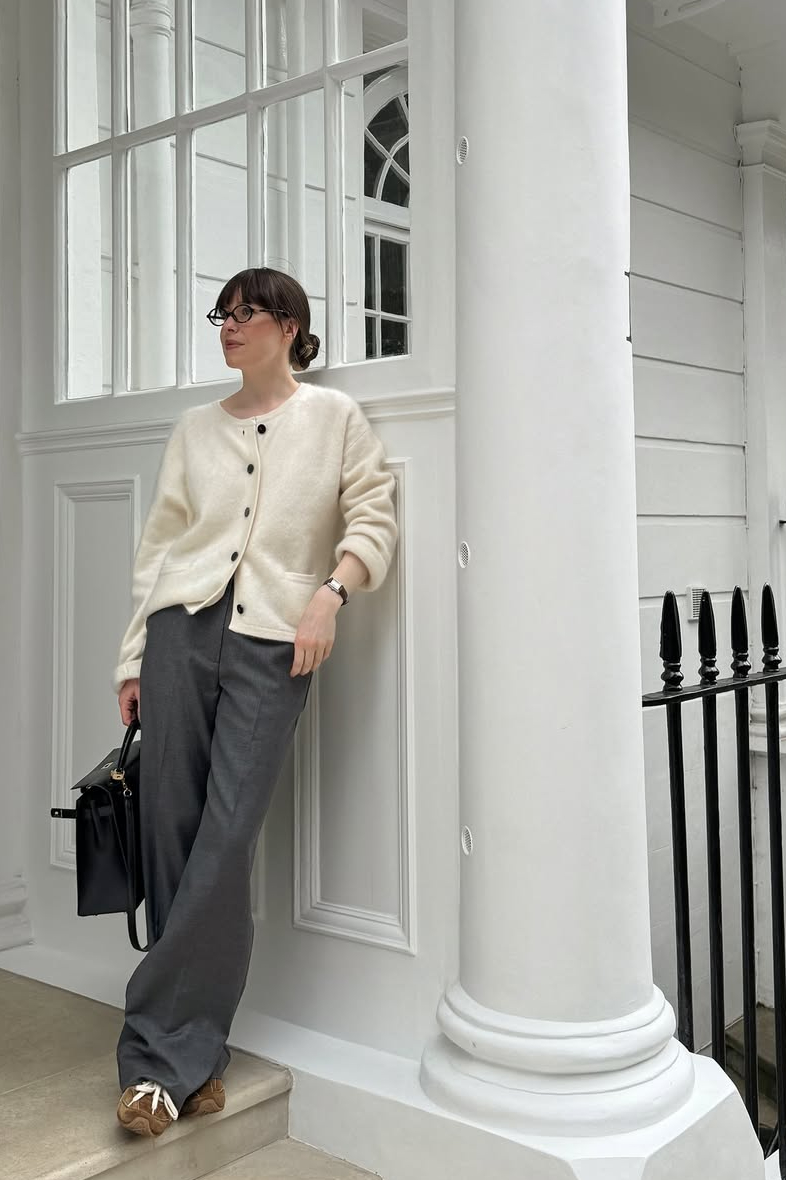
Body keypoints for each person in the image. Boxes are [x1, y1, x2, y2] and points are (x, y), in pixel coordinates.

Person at [114, 266, 398, 1137]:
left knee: (226, 834)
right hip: (179, 634)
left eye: (245, 314)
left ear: (290, 326)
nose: (229, 327)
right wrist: (133, 655)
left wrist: (331, 596)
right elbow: (159, 547)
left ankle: (154, 1051)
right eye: (222, 315)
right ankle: (188, 1063)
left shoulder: (334, 418)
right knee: (168, 825)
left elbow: (373, 516)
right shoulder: (194, 429)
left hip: (277, 638)